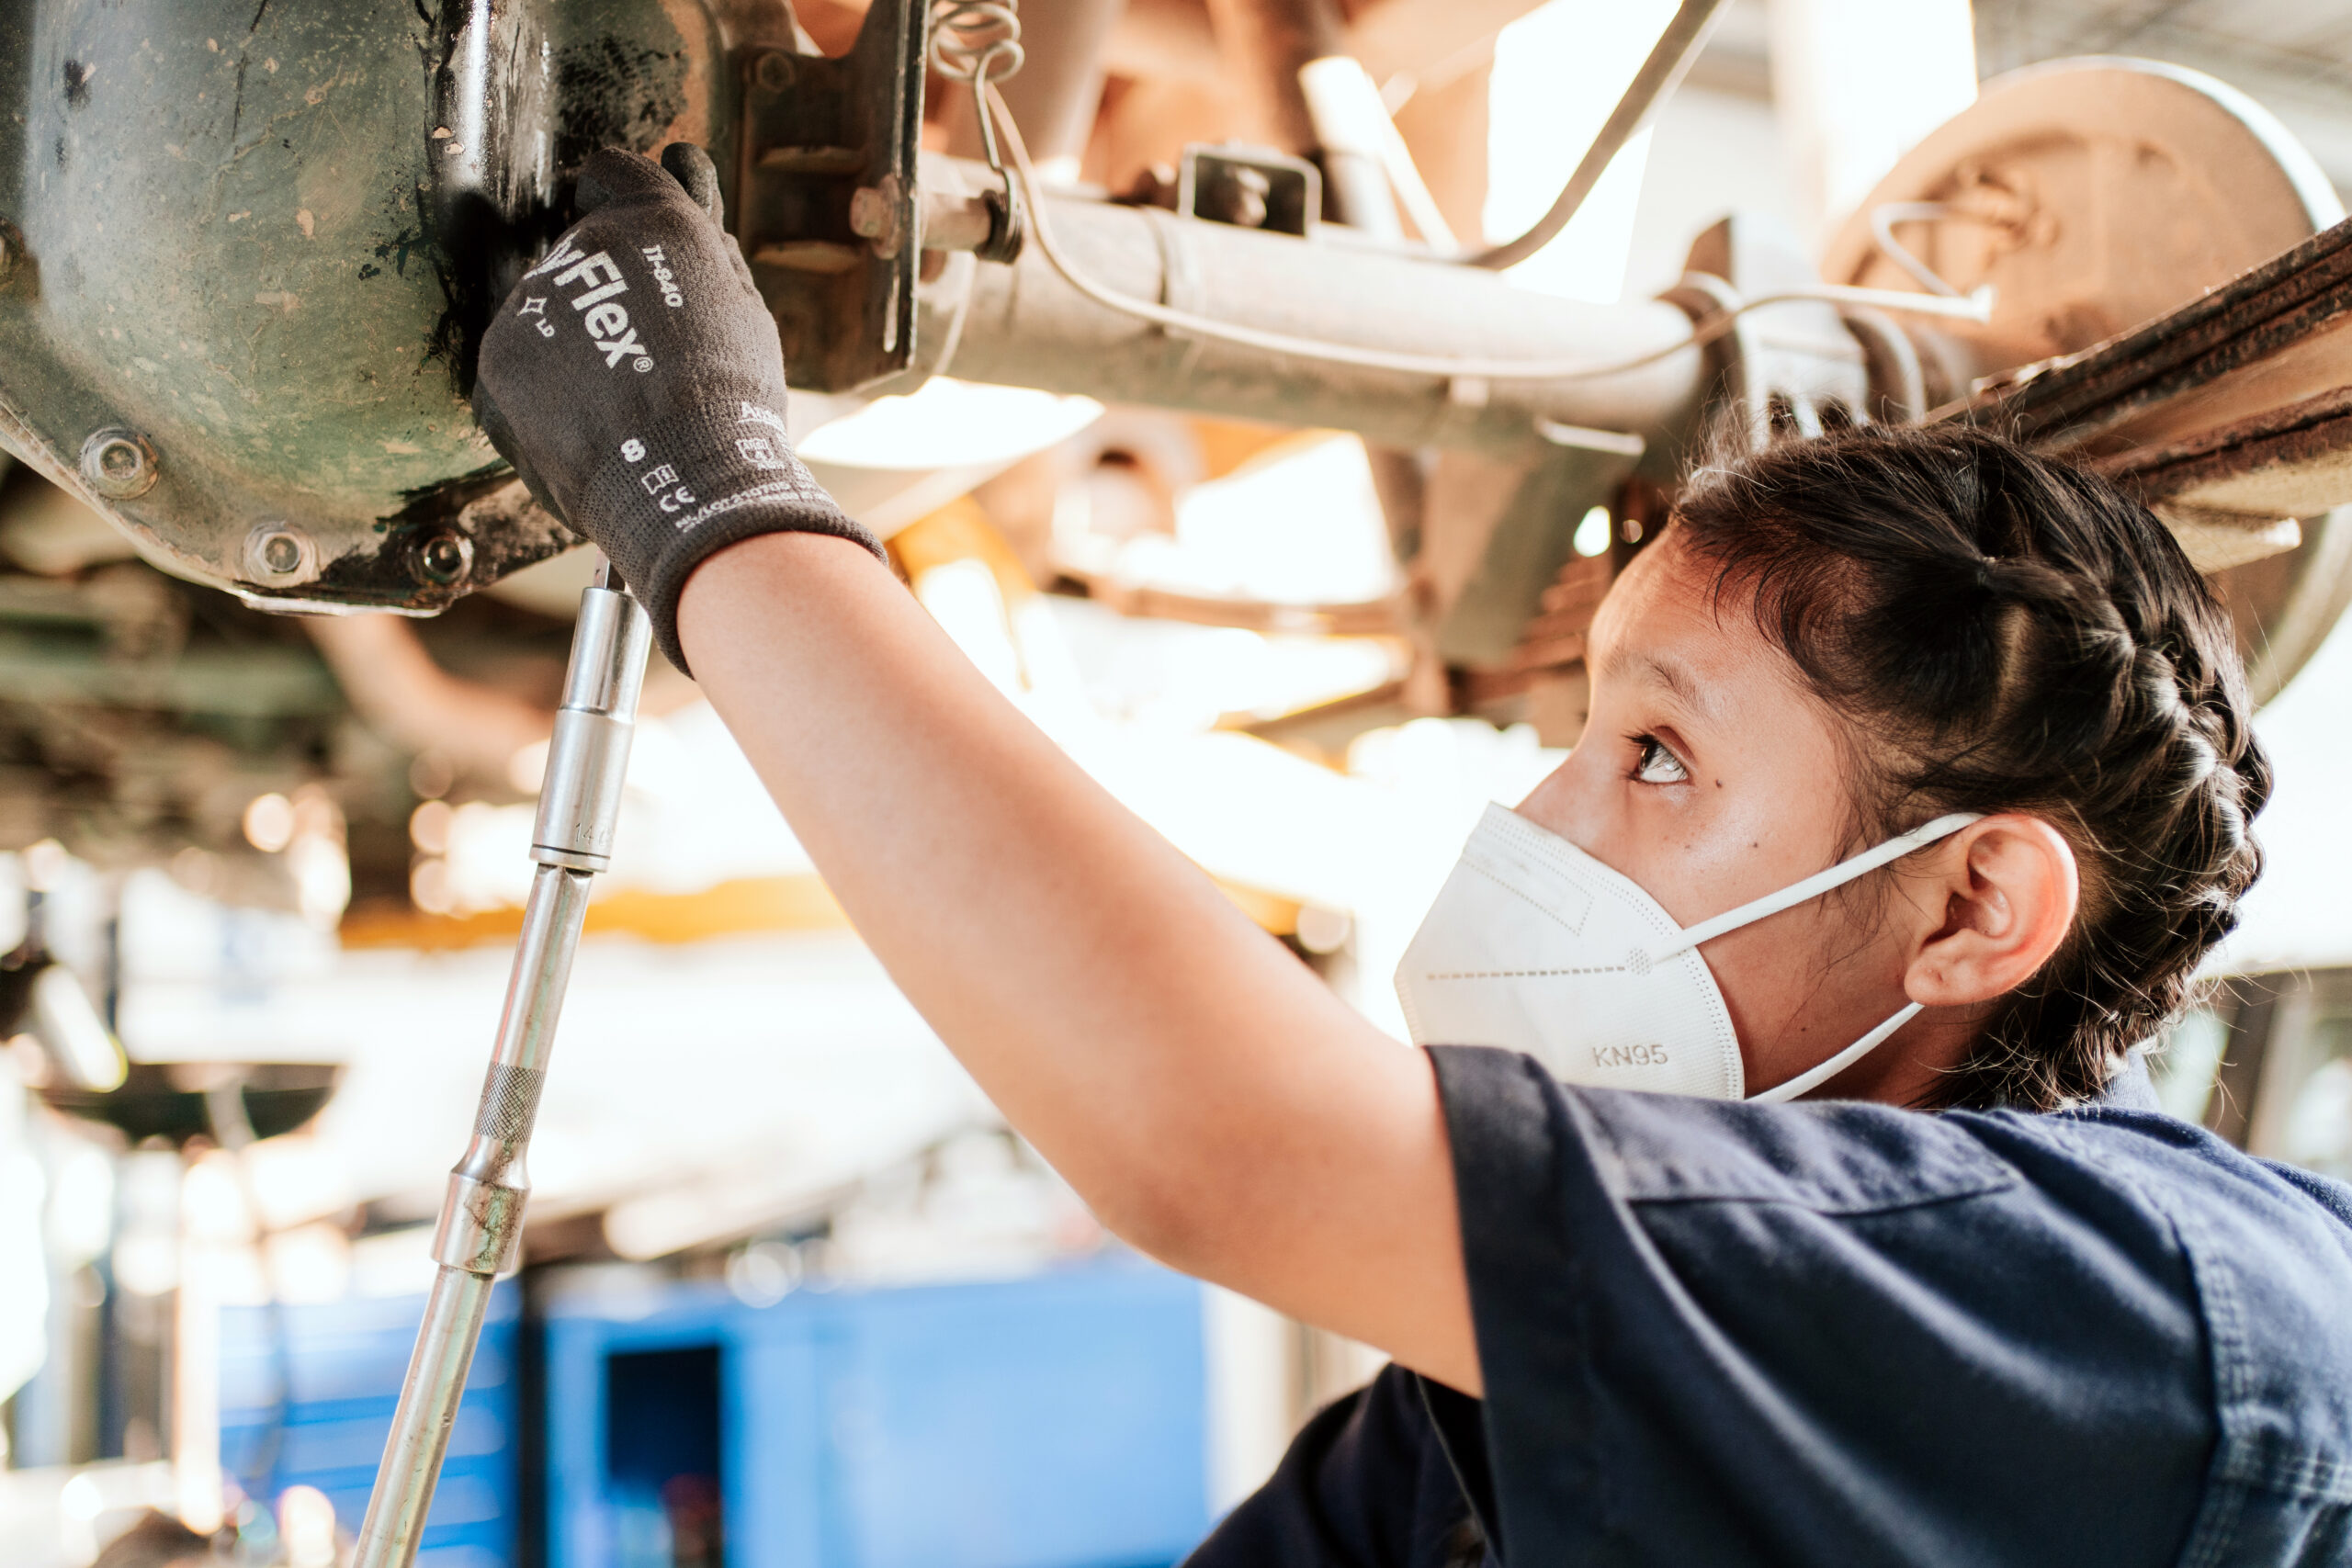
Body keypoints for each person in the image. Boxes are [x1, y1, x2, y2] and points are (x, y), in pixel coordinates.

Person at [472, 148, 2352, 1565]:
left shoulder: (2182, 1314)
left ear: (1968, 906)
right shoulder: (1496, 1445)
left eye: (1652, 755)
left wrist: (702, 495)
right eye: (1577, 738)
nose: (1538, 823)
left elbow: (1219, 1133)